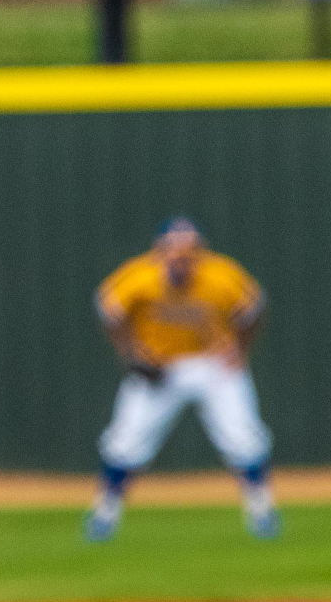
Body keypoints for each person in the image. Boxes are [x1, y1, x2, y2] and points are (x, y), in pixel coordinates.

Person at [84, 217, 277, 541]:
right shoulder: (140, 275)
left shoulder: (220, 275)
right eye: (174, 252)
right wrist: (130, 351)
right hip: (161, 366)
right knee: (126, 439)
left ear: (200, 254)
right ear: (159, 252)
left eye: (189, 253)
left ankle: (262, 512)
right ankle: (105, 513)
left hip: (212, 365)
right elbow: (108, 308)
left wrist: (239, 349)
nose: (182, 259)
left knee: (242, 435)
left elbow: (254, 307)